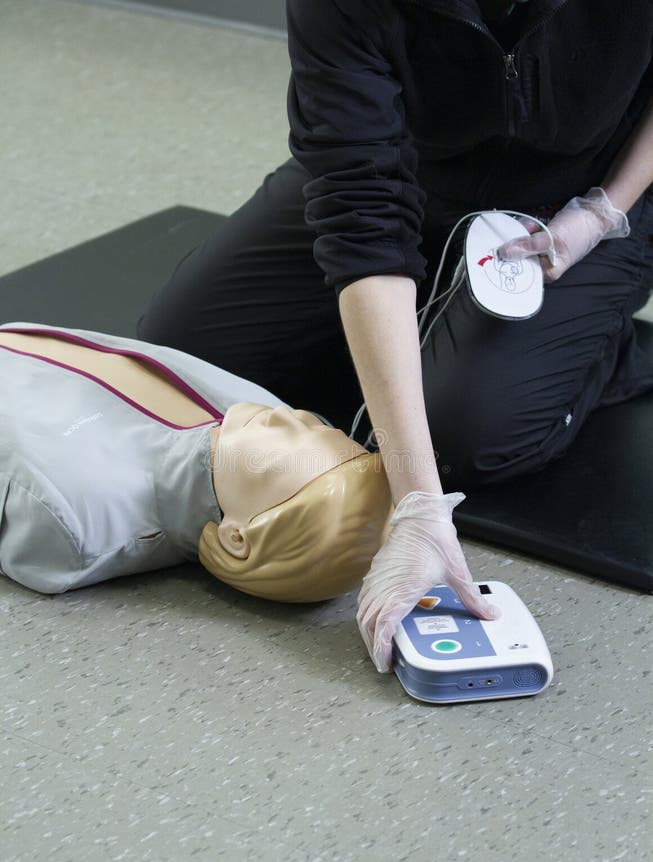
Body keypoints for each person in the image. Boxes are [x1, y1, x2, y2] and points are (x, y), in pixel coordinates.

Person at [136, 0, 653, 672]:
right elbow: (361, 210)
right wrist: (416, 505)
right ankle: (414, 330)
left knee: (463, 437)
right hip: (404, 169)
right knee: (184, 356)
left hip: (582, 197)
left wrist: (606, 208)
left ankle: (591, 345)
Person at [0, 323, 392, 604]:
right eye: (317, 426)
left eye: (279, 455)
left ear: (236, 537)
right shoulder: (252, 416)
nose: (287, 418)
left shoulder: (69, 521)